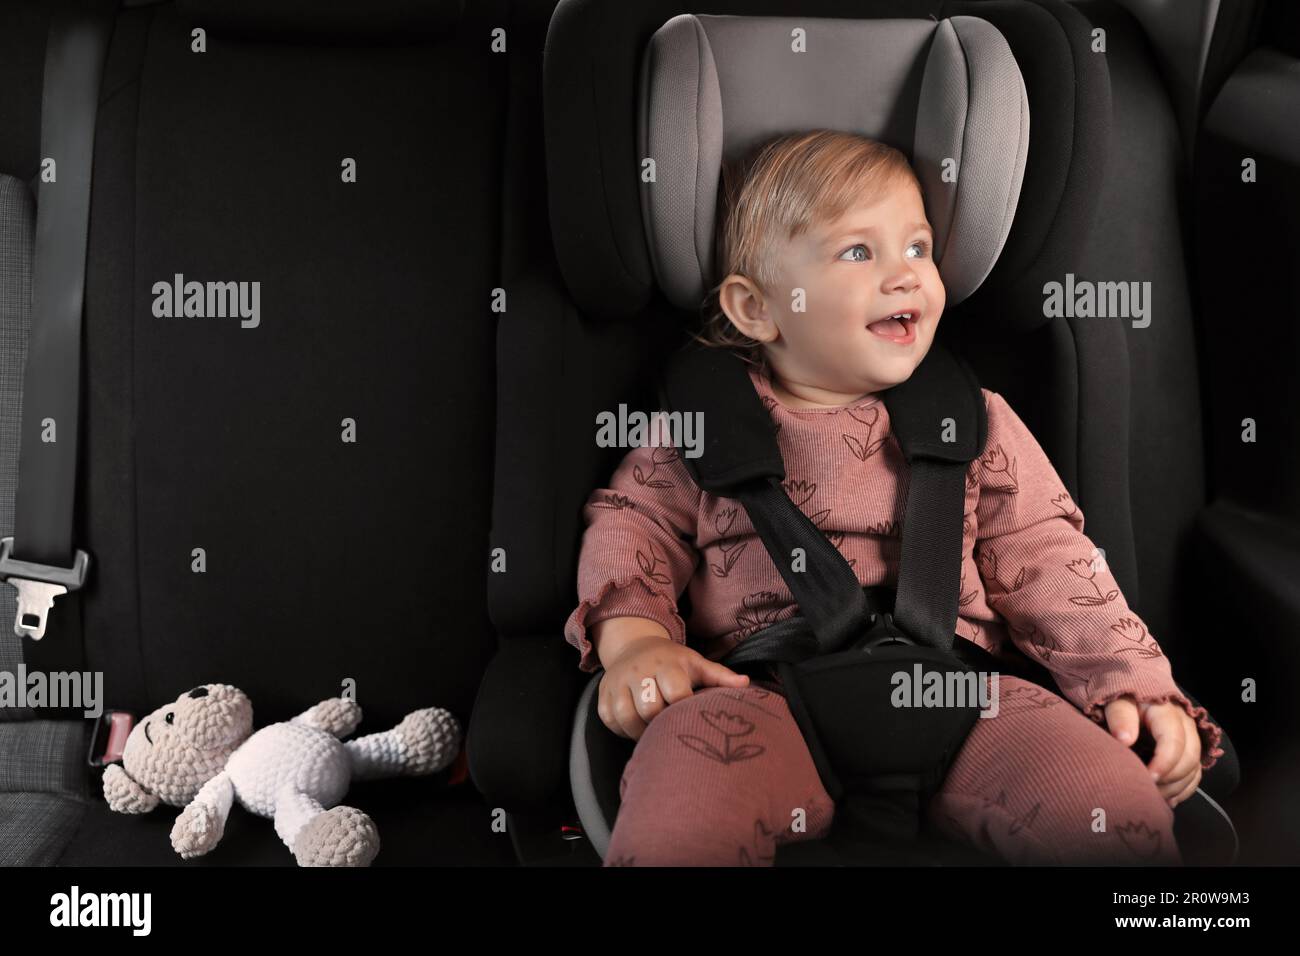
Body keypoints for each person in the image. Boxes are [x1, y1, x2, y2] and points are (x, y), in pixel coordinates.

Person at [564, 129, 1223, 866]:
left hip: (969, 696)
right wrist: (639, 644)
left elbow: (1052, 558)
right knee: (683, 798)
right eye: (858, 252)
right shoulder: (699, 427)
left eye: (917, 248)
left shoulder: (975, 418)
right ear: (755, 309)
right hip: (763, 694)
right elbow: (634, 531)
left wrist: (1134, 687)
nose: (907, 275)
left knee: (1108, 805)